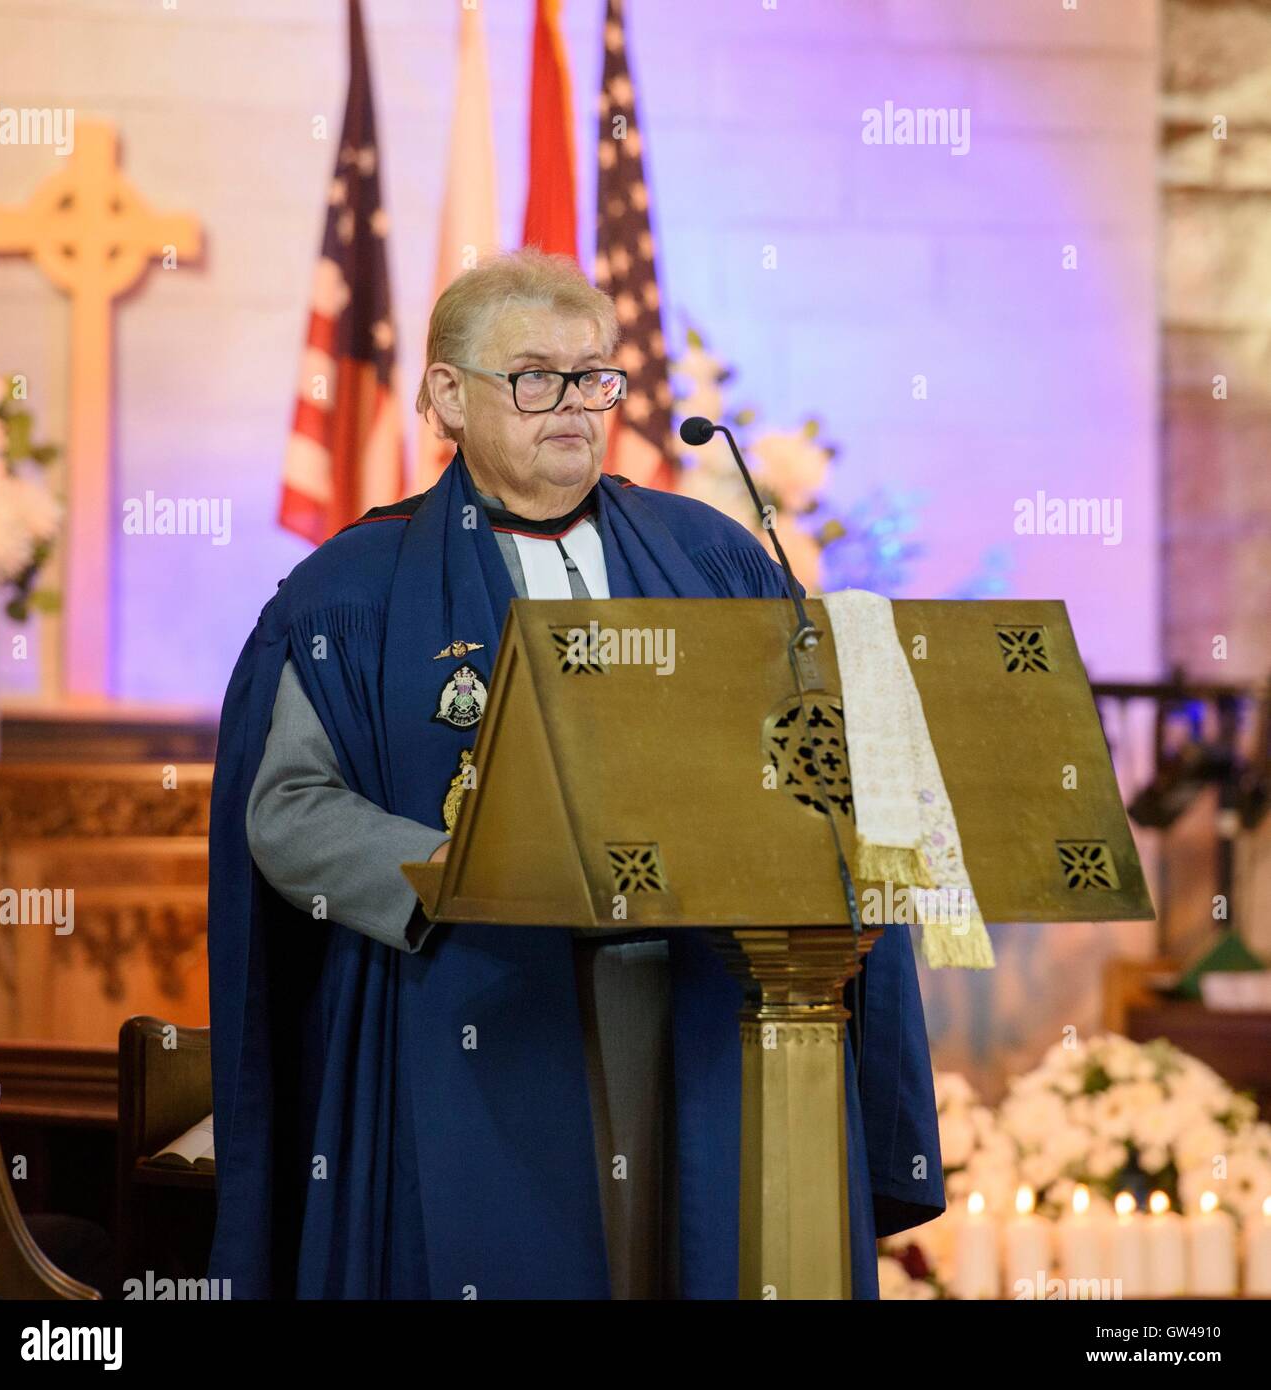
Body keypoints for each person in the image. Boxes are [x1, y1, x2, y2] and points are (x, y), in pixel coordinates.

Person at [207, 246, 944, 1299]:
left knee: (694, 1253)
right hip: (475, 1002)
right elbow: (285, 810)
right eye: (535, 377)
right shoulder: (351, 591)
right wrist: (462, 864)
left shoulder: (710, 555)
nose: (573, 406)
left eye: (593, 375)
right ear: (446, 395)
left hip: (699, 996)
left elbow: (813, 753)